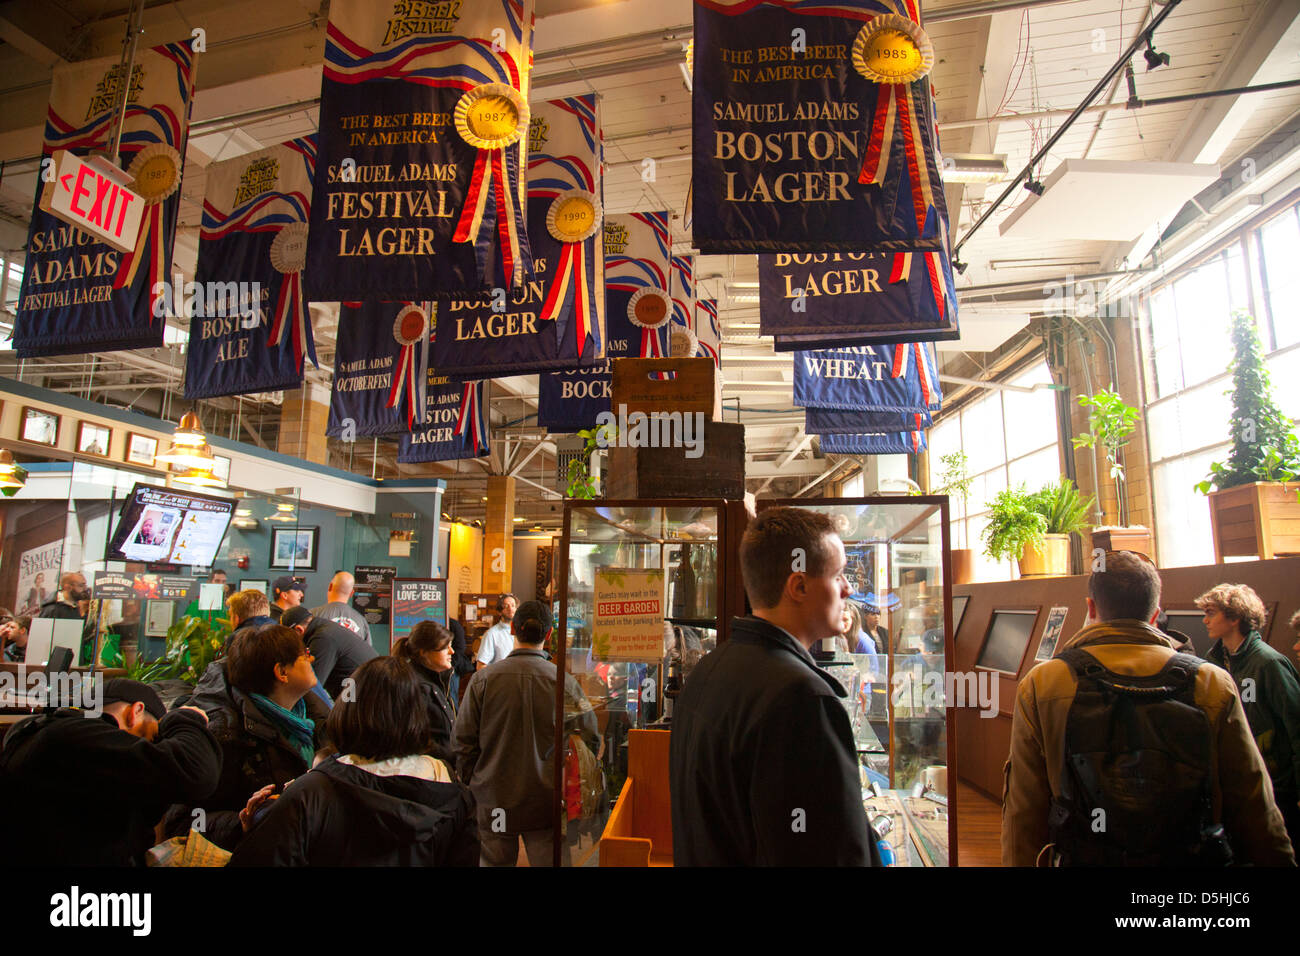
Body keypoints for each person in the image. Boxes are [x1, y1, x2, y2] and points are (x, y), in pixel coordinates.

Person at [1003, 551, 1294, 866]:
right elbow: (1254, 804)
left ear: (1091, 607)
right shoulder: (1212, 683)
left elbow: (1024, 809)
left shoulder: (1044, 684)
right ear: (1155, 614)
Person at [670, 506, 883, 866]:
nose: (848, 588)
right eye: (839, 575)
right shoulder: (801, 699)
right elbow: (826, 853)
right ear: (798, 585)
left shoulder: (710, 668)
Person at [229, 656, 476, 866]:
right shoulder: (455, 796)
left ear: (348, 709)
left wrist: (260, 829)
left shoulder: (310, 793)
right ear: (417, 715)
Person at [0, 679, 221, 866]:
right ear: (135, 712)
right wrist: (186, 719)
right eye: (151, 737)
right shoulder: (72, 739)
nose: (150, 749)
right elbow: (196, 774)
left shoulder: (50, 733)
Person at [452, 600, 599, 866]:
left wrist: (475, 783)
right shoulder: (563, 682)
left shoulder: (483, 680)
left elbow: (462, 743)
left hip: (493, 796)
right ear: (549, 634)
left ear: (512, 631)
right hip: (545, 799)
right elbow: (590, 736)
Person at [165, 624, 329, 851]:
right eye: (305, 655)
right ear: (282, 672)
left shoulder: (317, 718)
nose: (311, 660)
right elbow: (181, 821)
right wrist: (242, 823)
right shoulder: (224, 734)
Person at [1201, 584, 1300, 852]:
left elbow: (1296, 729)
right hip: (1240, 783)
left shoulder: (1269, 664)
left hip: (1278, 788)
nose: (1205, 619)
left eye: (1211, 612)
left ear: (1235, 617)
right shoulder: (1214, 663)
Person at [282, 605, 377, 702]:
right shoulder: (325, 628)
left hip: (369, 697)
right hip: (367, 692)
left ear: (299, 630)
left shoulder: (323, 638)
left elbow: (312, 686)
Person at [391, 622, 457, 759]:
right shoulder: (416, 686)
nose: (452, 651)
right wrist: (454, 757)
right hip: (428, 768)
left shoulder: (439, 679)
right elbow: (416, 740)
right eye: (445, 648)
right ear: (424, 652)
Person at [311, 571, 372, 645]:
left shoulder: (312, 615)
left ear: (330, 586)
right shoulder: (361, 622)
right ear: (352, 593)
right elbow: (368, 653)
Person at [475, 593, 518, 670]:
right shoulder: (491, 634)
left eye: (513, 605)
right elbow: (481, 666)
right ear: (499, 612)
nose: (510, 609)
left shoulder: (522, 631)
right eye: (506, 606)